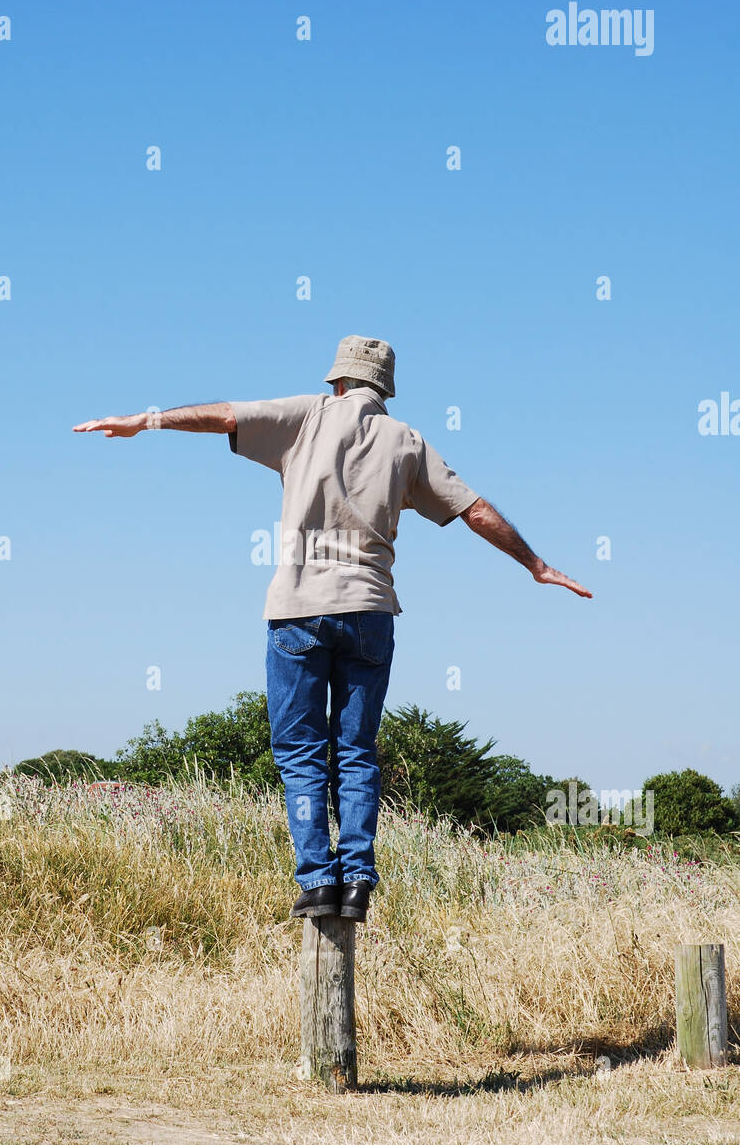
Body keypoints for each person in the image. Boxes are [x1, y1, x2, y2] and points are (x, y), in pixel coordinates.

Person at [74, 335, 592, 923]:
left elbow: (222, 415)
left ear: (337, 380)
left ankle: (319, 880)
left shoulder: (306, 417)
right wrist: (537, 566)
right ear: (384, 387)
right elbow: (473, 508)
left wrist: (146, 421)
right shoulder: (407, 442)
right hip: (371, 611)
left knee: (300, 753)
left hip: (299, 607)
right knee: (355, 751)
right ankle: (358, 880)